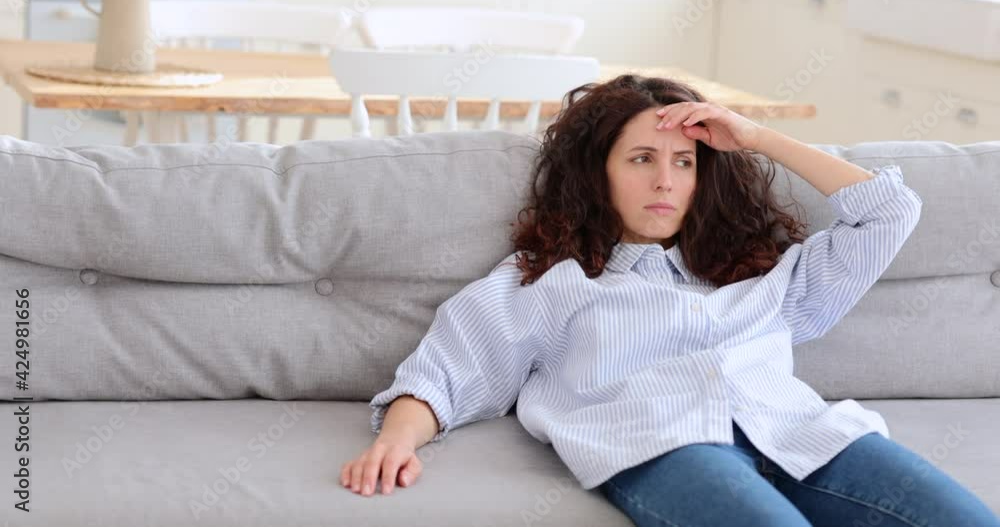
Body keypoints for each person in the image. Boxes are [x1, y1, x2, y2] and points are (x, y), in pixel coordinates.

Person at [339, 75, 1000, 527]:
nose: (665, 180)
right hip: (661, 444)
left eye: (684, 162)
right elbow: (447, 369)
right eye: (641, 159)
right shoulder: (547, 281)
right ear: (598, 174)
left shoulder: (764, 277)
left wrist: (757, 136)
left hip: (803, 432)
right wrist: (398, 441)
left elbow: (888, 210)